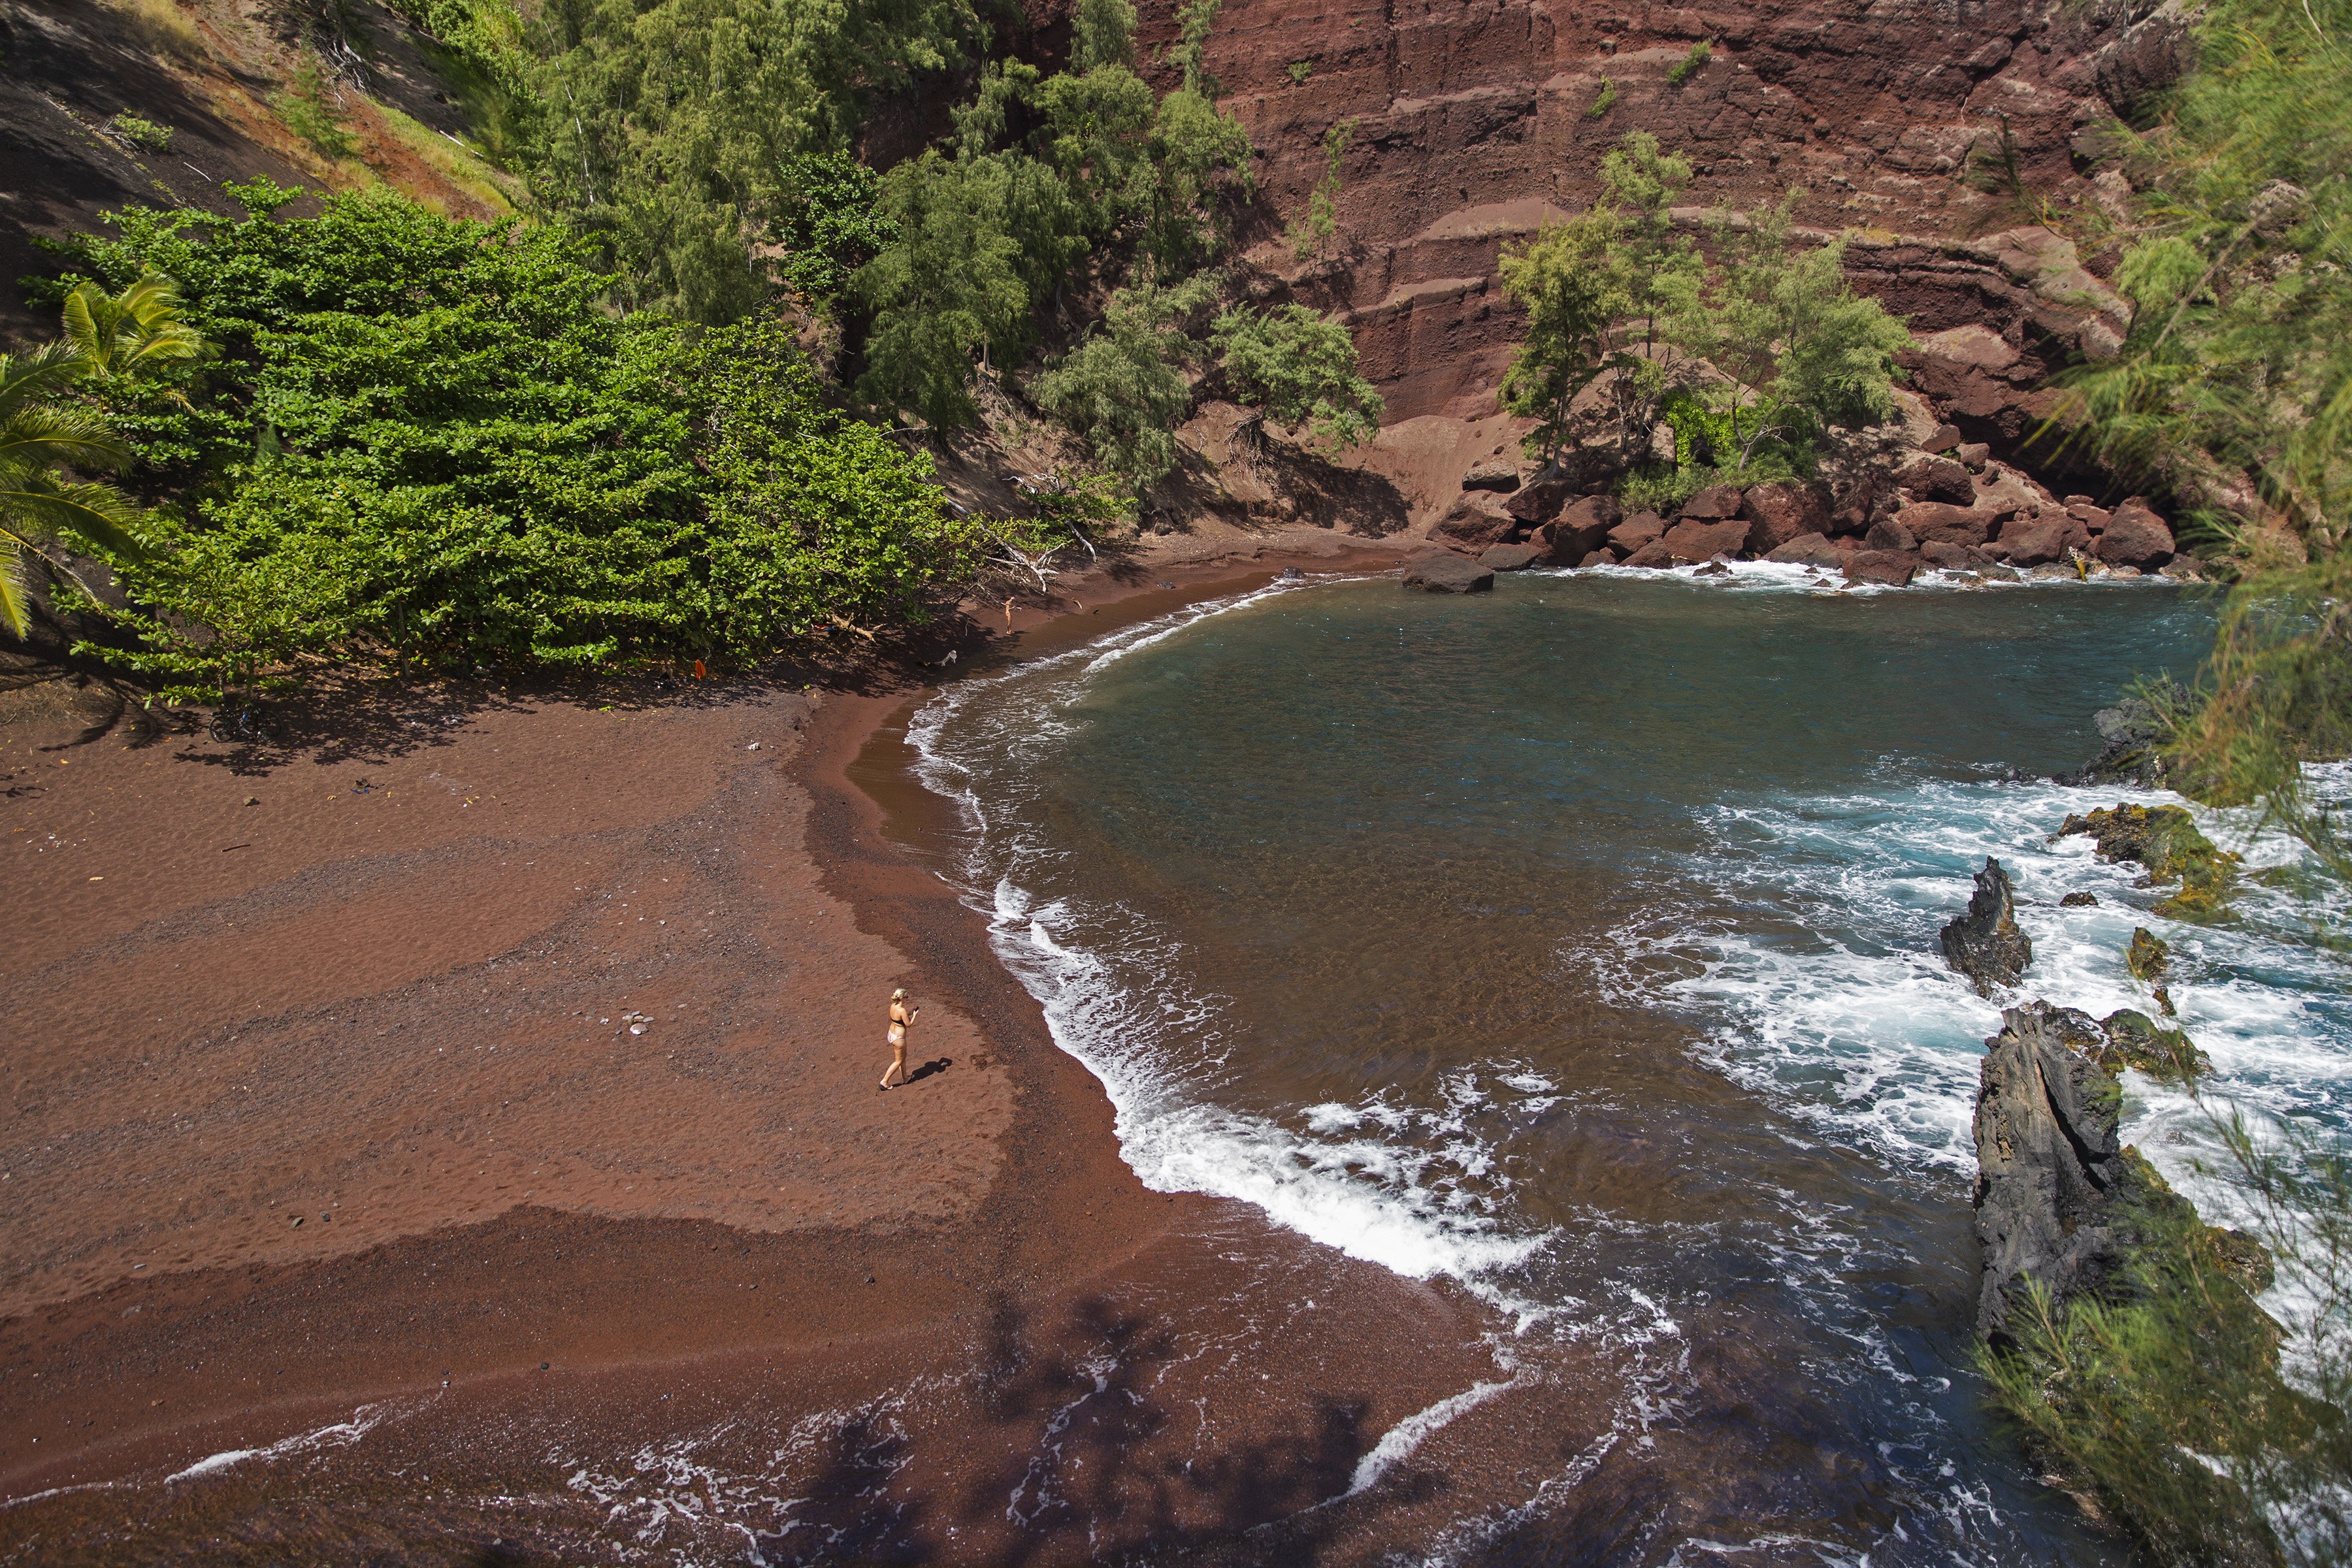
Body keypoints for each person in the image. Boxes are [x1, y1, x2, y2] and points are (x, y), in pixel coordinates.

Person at [879, 988, 919, 1090]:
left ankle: (906, 1078)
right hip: (899, 1038)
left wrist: (909, 1013)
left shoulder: (893, 1006)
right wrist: (915, 1015)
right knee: (898, 1061)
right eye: (906, 997)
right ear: (901, 998)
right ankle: (885, 1081)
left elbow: (898, 1018)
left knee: (902, 1058)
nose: (907, 999)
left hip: (892, 1034)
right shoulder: (902, 1010)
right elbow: (909, 1024)